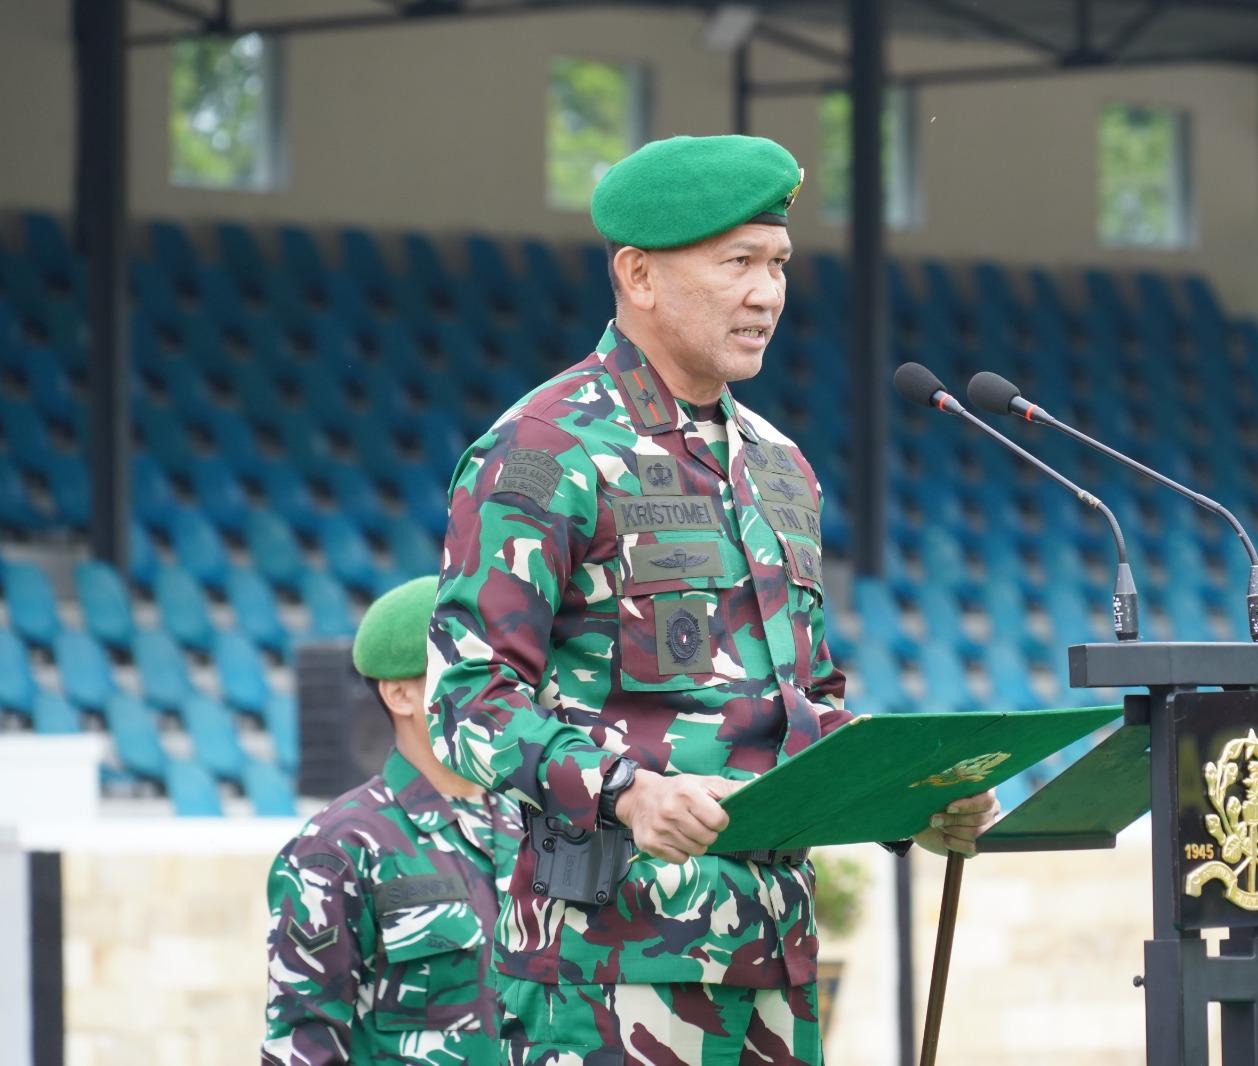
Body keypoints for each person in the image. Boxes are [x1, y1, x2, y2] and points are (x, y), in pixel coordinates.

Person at [427, 134, 999, 1065]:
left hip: (771, 963)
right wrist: (625, 793)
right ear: (640, 275)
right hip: (609, 972)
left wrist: (911, 800)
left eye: (777, 264)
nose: (767, 294)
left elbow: (805, 709)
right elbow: (466, 702)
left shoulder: (778, 465)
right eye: (737, 263)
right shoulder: (542, 449)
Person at [262, 576, 521, 1066]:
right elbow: (302, 1046)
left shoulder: (528, 827)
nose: (491, 694)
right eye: (463, 675)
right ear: (401, 695)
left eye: (497, 675)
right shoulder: (338, 849)